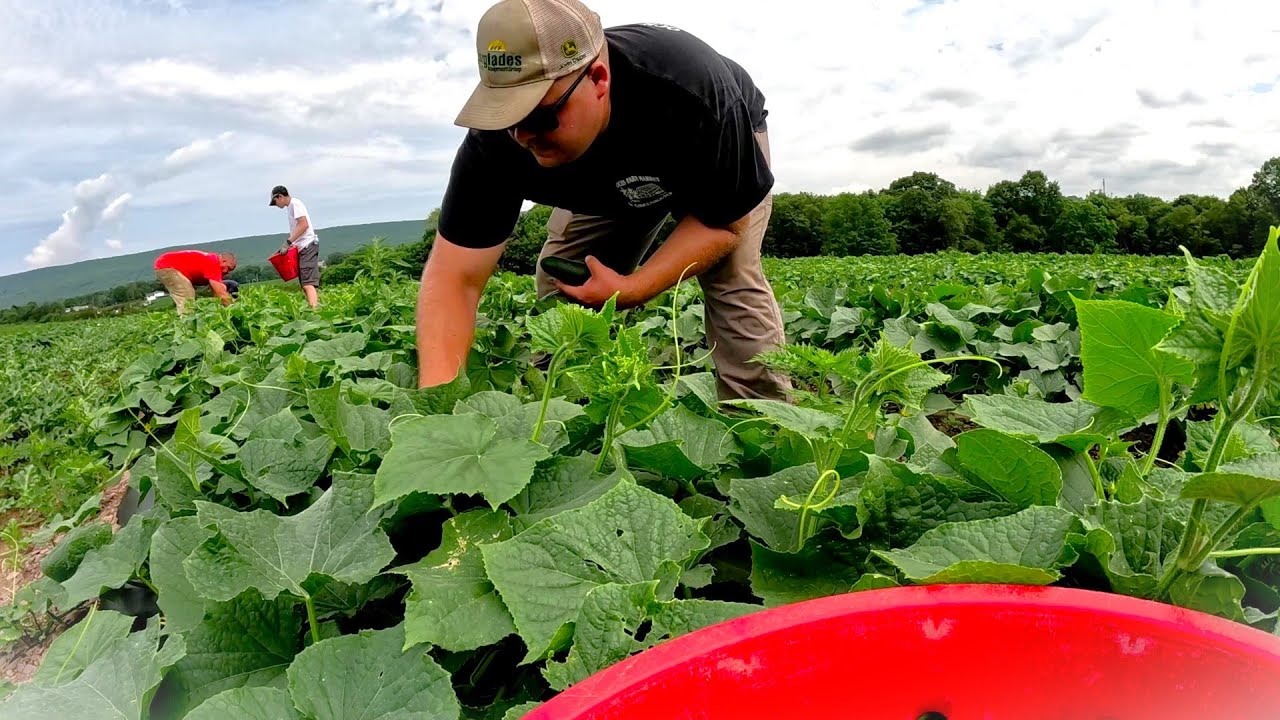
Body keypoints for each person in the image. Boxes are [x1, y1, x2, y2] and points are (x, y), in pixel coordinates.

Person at [416, 0, 792, 402]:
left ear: (597, 79)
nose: (522, 136)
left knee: (731, 277)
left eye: (538, 116)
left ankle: (760, 428)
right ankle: (567, 405)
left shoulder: (690, 91)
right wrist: (437, 415)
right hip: (604, 182)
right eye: (507, 117)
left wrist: (636, 287)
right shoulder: (492, 146)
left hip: (702, 155)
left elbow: (723, 225)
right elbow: (454, 278)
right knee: (566, 283)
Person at [269, 184, 321, 308]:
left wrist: (288, 243)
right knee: (305, 283)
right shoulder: (291, 206)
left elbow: (304, 225)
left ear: (279, 196)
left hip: (307, 245)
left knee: (308, 283)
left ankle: (315, 313)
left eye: (275, 201)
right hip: (303, 246)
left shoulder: (294, 204)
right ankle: (313, 308)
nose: (276, 205)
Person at [153, 250, 237, 314]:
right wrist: (234, 309)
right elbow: (220, 293)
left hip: (166, 265)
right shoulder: (213, 263)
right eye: (228, 268)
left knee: (190, 297)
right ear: (224, 261)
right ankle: (186, 327)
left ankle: (186, 321)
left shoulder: (211, 260)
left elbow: (217, 291)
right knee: (187, 297)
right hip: (168, 266)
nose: (227, 272)